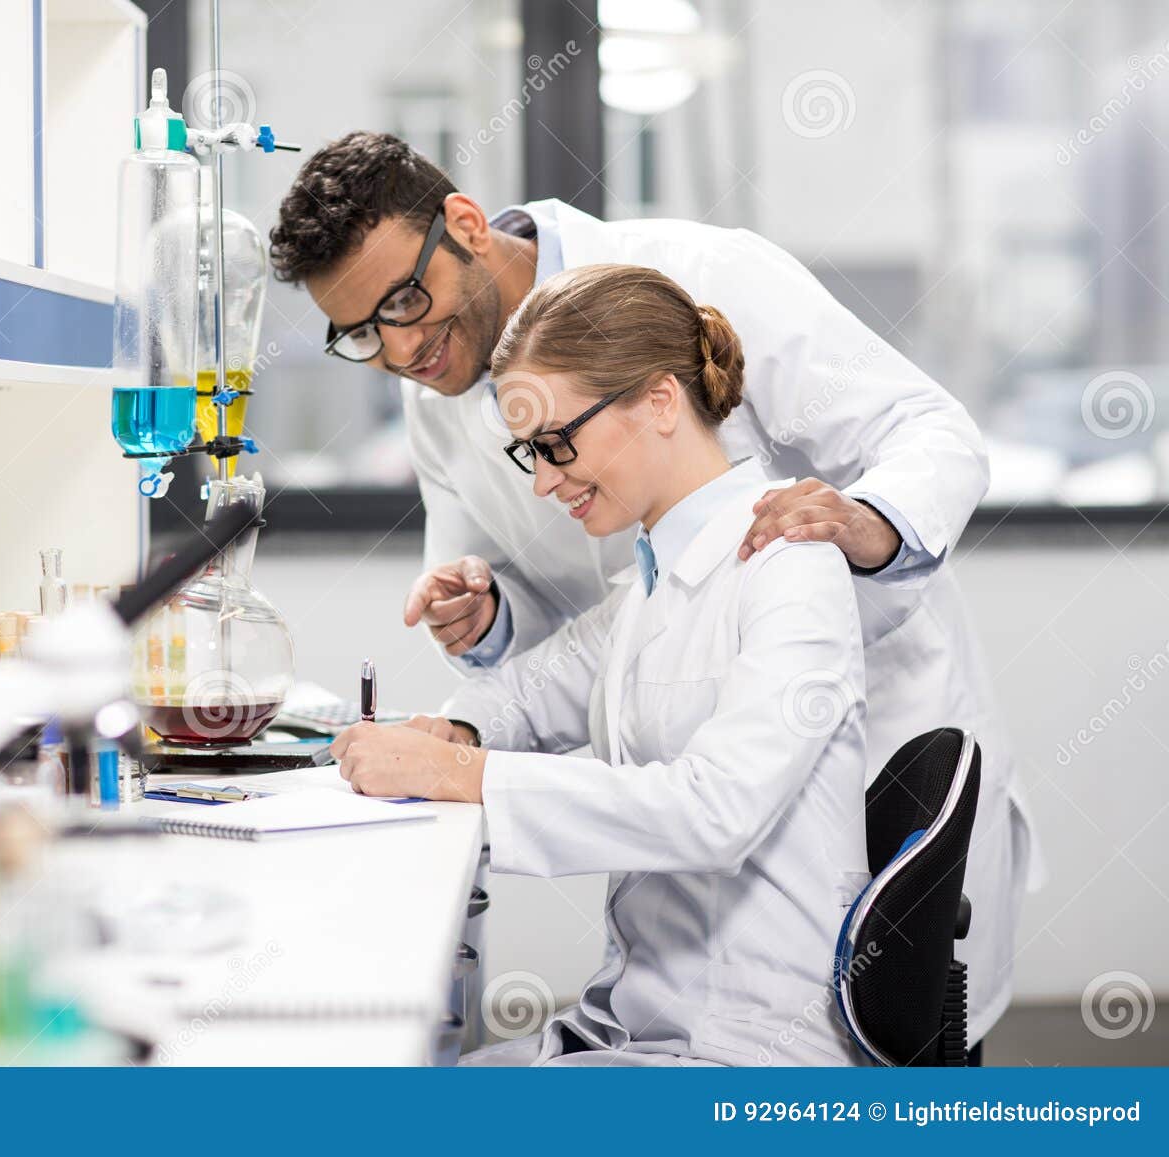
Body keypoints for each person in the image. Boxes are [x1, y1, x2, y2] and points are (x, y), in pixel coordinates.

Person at [269, 133, 1032, 1052]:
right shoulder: (467, 419)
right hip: (667, 950)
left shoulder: (705, 280)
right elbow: (560, 634)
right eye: (361, 333)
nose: (398, 349)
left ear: (464, 225)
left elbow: (931, 431)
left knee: (903, 1037)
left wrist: (864, 526)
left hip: (839, 789)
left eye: (404, 301)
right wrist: (480, 636)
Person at [329, 266, 868, 1066]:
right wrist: (454, 729)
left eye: (557, 444)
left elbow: (713, 810)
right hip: (642, 1020)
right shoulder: (653, 578)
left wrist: (458, 771)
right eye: (530, 455)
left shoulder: (788, 567)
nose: (545, 481)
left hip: (745, 1052)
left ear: (658, 401)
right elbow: (533, 689)